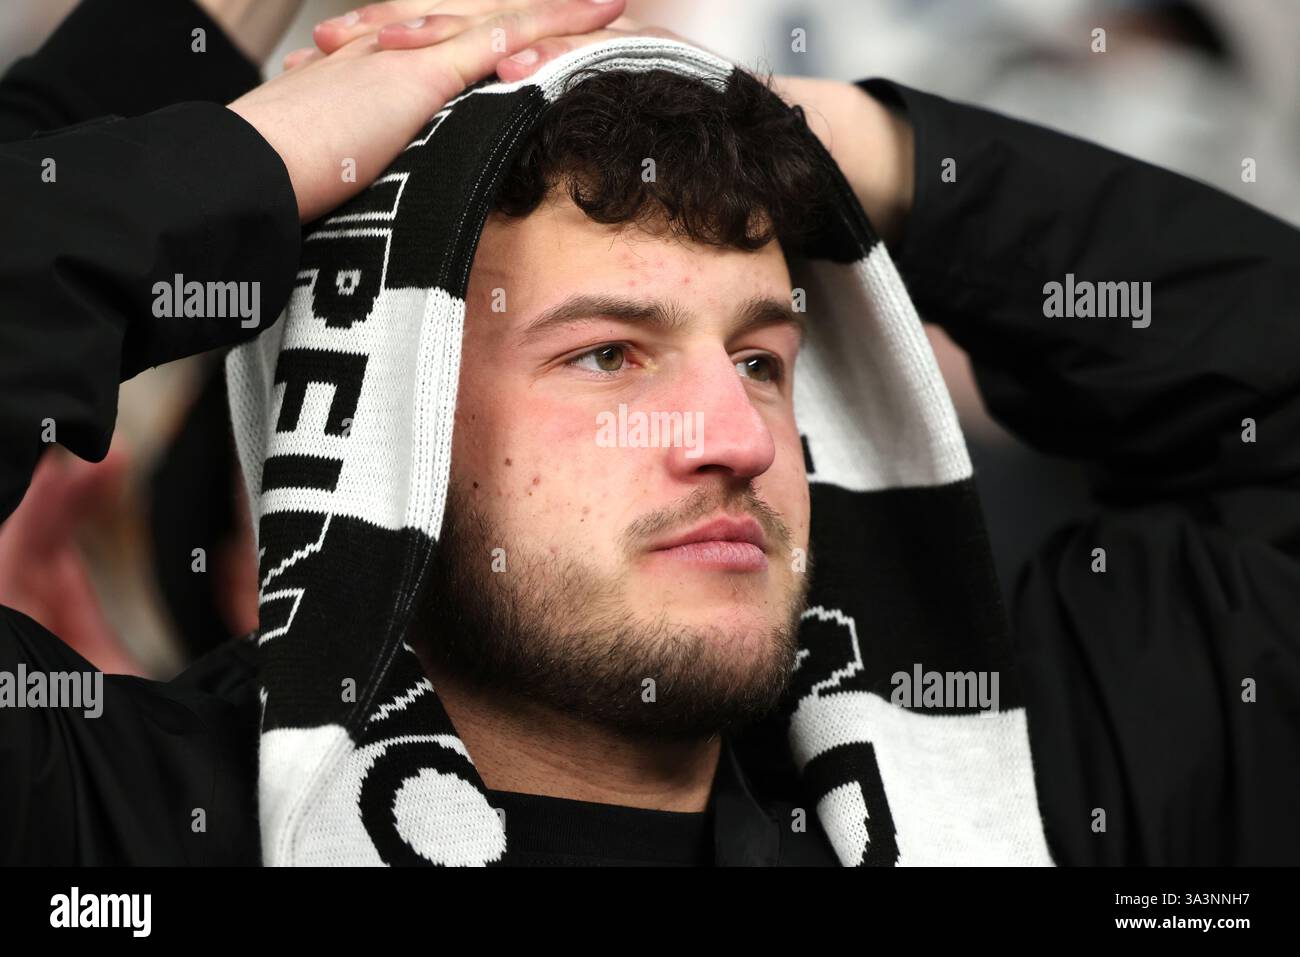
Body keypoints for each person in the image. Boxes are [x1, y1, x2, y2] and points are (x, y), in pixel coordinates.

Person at [4, 1, 1299, 866]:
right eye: (609, 354)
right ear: (376, 428)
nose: (734, 434)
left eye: (762, 357)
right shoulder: (123, 826)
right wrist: (249, 148)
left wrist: (869, 151)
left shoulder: (1021, 783)